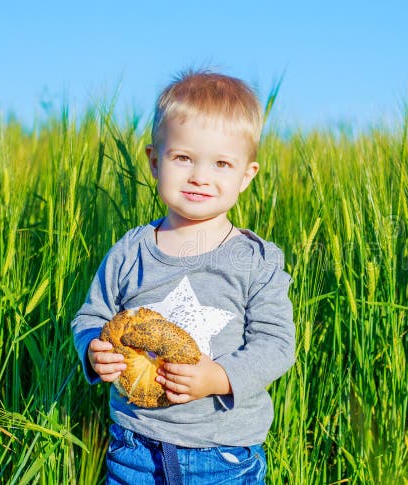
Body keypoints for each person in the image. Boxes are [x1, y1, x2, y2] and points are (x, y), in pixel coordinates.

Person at [70, 70, 295, 484]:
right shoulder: (131, 251)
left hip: (223, 452)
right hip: (135, 447)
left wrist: (219, 377)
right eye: (183, 158)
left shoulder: (255, 260)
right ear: (155, 162)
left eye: (222, 163)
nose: (200, 176)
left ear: (246, 176)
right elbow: (90, 316)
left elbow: (276, 345)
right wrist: (92, 349)